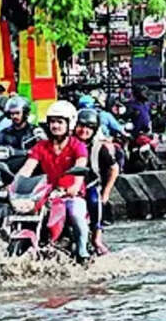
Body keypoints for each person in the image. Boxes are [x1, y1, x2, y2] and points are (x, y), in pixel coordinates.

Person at [16, 101, 90, 264]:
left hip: (70, 195)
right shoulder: (41, 146)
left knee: (76, 215)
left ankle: (83, 252)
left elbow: (80, 166)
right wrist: (14, 185)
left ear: (69, 124)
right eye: (52, 122)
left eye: (59, 122)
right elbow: (27, 168)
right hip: (46, 194)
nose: (55, 126)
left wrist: (73, 187)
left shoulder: (78, 146)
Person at [74, 108, 120, 256]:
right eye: (81, 126)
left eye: (89, 128)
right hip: (68, 187)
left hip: (89, 186)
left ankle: (97, 239)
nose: (84, 130)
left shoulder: (99, 148)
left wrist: (106, 192)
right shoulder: (67, 145)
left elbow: (114, 168)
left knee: (95, 201)